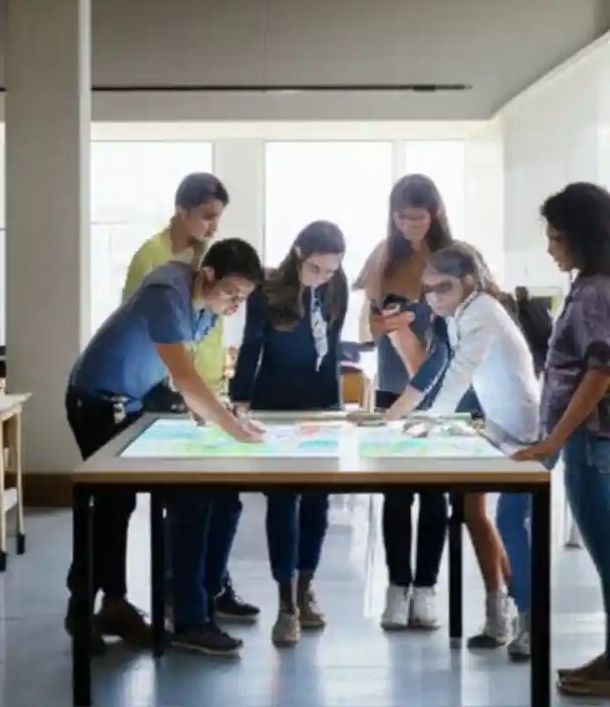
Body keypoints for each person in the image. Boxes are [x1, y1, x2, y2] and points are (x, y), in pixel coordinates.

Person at [63, 239, 265, 655]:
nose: (235, 305)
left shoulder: (203, 307)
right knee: (111, 509)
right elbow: (187, 378)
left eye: (243, 298)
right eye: (231, 293)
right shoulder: (166, 292)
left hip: (139, 396)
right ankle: (84, 608)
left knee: (199, 492)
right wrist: (231, 427)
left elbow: (183, 381)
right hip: (99, 398)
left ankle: (143, 604)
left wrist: (220, 413)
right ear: (207, 274)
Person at [366, 241, 540, 655]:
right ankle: (501, 615)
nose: (432, 297)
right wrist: (403, 416)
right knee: (474, 514)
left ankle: (529, 619)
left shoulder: (482, 312)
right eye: (427, 290)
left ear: (467, 282)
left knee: (511, 525)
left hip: (522, 434)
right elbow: (438, 368)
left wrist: (431, 418)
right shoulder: (460, 311)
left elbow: (460, 370)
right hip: (493, 427)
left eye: (441, 288)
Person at [122, 172, 260, 623]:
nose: (213, 226)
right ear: (181, 209)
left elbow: (208, 330)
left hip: (201, 394)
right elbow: (155, 340)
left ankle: (208, 588)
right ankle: (183, 601)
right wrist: (204, 406)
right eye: (207, 216)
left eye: (218, 218)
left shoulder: (205, 260)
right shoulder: (158, 263)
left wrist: (219, 399)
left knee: (222, 497)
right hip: (165, 395)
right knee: (188, 502)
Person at [511, 182, 610, 696]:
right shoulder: (589, 283)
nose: (550, 246)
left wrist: (555, 441)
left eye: (556, 236)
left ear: (581, 238)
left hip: (593, 445)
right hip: (586, 444)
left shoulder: (597, 291)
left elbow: (600, 372)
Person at [228, 221, 347, 647]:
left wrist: (337, 410)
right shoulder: (268, 290)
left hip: (322, 407)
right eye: (316, 269)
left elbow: (332, 349)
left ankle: (305, 588)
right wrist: (239, 401)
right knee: (283, 503)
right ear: (298, 253)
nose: (323, 277)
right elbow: (251, 347)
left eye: (331, 270)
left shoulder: (338, 286)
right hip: (275, 405)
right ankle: (285, 604)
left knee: (317, 502)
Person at [354, 174, 455, 630]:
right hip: (392, 389)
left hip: (438, 391)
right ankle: (397, 588)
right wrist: (384, 326)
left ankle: (426, 590)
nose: (409, 224)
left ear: (434, 213)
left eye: (417, 216)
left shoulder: (452, 258)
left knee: (435, 496)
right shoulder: (383, 255)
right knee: (395, 496)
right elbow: (365, 329)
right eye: (401, 216)